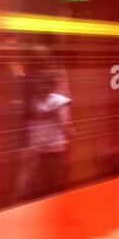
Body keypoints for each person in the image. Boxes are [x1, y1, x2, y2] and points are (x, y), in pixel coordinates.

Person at [0, 32, 28, 209]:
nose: (11, 49)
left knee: (13, 167)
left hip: (16, 126)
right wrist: (14, 104)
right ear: (0, 47)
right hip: (0, 126)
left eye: (14, 45)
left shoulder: (18, 66)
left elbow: (24, 91)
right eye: (7, 45)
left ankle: (8, 201)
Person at [24, 69, 73, 198]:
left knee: (41, 174)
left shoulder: (36, 100)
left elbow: (32, 122)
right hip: (55, 146)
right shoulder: (60, 101)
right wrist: (70, 134)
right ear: (55, 85)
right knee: (54, 176)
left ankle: (39, 196)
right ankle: (52, 198)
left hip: (40, 145)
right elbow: (64, 123)